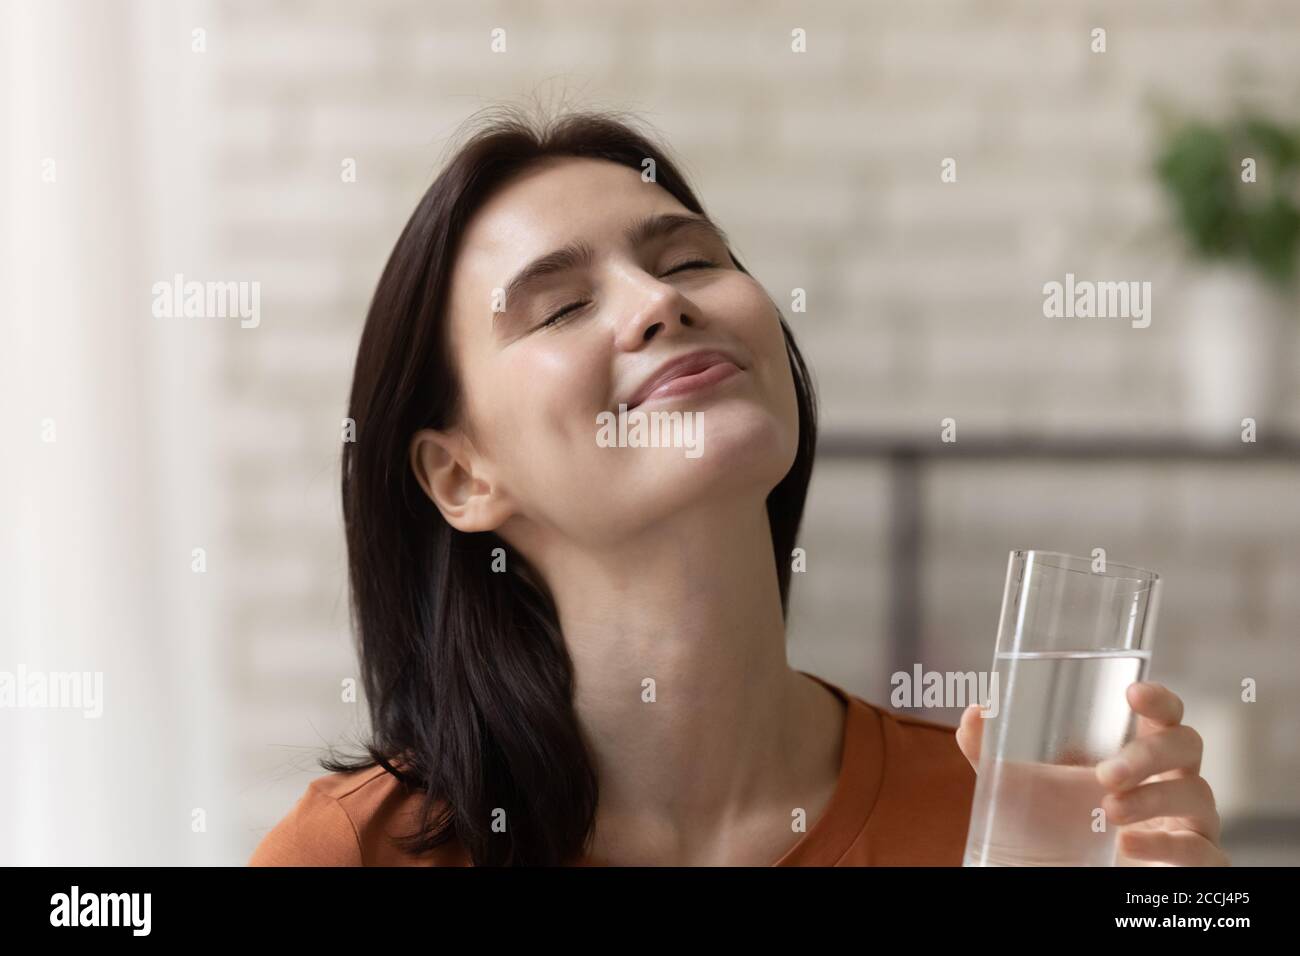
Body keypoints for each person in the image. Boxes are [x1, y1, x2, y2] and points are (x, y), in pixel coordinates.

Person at [249, 106, 1227, 867]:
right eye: (561, 307)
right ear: (462, 476)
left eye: (690, 260)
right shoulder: (354, 853)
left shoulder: (1006, 820)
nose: (660, 302)